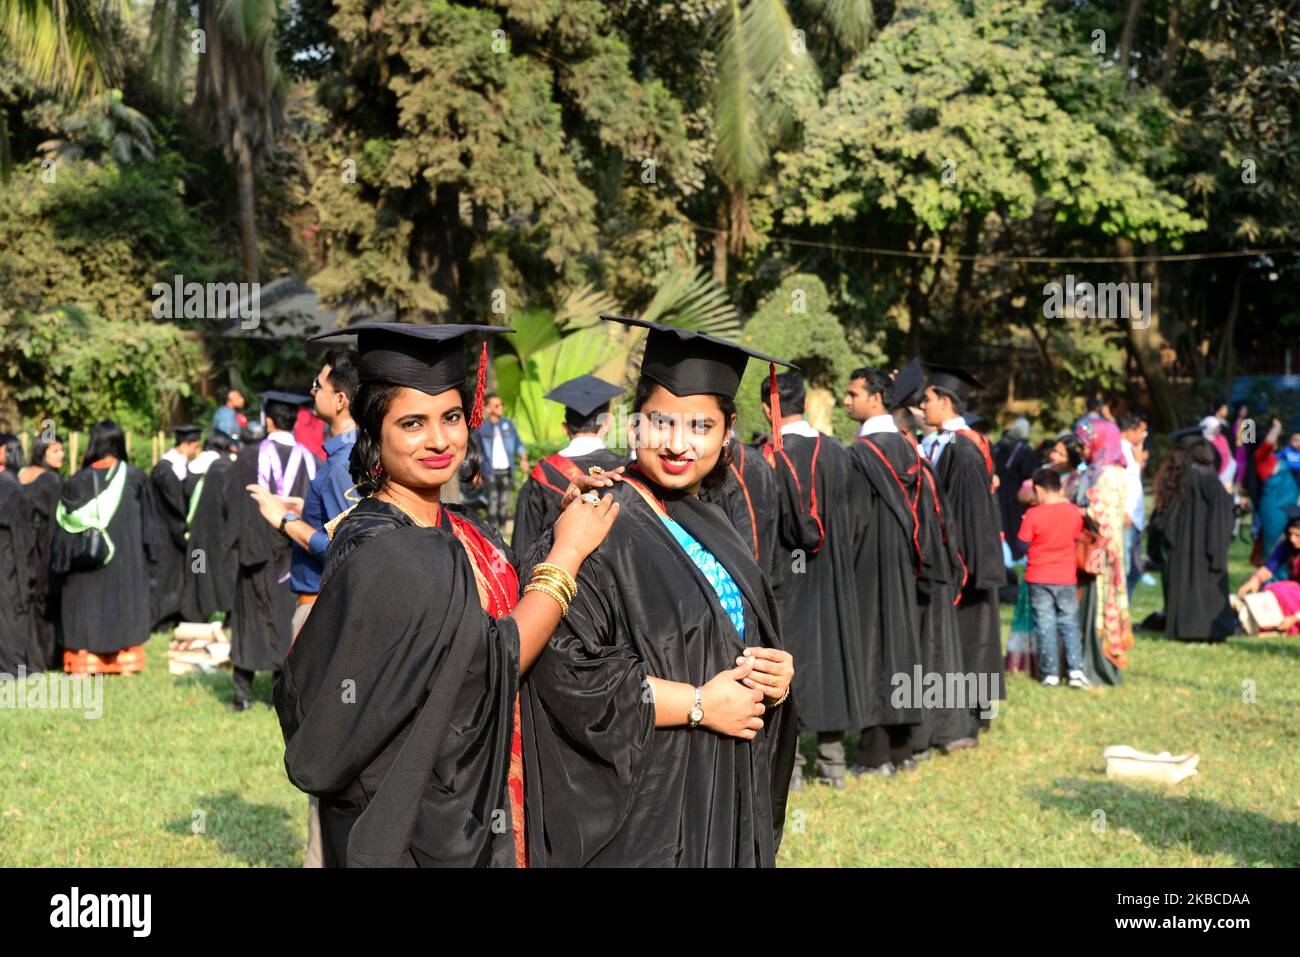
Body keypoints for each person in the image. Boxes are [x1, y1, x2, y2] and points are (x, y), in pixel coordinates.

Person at [275, 322, 619, 867]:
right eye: (412, 423)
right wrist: (567, 556)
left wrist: (560, 527)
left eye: (452, 417)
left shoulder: (462, 524)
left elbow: (501, 595)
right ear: (374, 430)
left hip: (493, 788)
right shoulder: (380, 545)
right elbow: (493, 656)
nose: (440, 440)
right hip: (423, 813)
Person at [521, 315, 797, 867]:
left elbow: (736, 632)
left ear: (727, 430)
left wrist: (778, 677)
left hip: (722, 787)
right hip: (647, 808)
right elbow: (567, 673)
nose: (677, 445)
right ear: (633, 424)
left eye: (700, 427)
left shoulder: (708, 519)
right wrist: (698, 705)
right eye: (660, 423)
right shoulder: (595, 517)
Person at [242, 350, 361, 868]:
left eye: (317, 385)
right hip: (334, 610)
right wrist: (299, 508)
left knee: (320, 746)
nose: (311, 394)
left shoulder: (341, 464)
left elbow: (343, 545)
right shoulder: (348, 456)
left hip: (320, 610)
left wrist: (280, 519)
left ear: (340, 398)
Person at [756, 370, 865, 787]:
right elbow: (855, 519)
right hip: (832, 576)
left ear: (771, 408)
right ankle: (834, 762)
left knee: (789, 662)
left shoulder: (765, 456)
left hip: (784, 579)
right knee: (830, 658)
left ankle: (793, 766)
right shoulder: (839, 452)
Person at [843, 367, 924, 777]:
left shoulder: (860, 454)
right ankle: (903, 749)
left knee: (873, 649)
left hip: (868, 564)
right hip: (903, 560)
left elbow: (853, 518)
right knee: (902, 648)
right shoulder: (910, 448)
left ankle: (874, 757)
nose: (846, 400)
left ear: (875, 398)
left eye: (853, 393)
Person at [920, 365, 1004, 737]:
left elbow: (969, 512)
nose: (923, 407)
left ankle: (971, 715)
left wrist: (961, 566)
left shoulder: (964, 450)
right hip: (963, 559)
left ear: (946, 401)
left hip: (967, 562)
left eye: (927, 399)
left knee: (972, 638)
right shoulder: (951, 444)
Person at [225, 391, 321, 711]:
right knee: (285, 619)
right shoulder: (314, 460)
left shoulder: (248, 457)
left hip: (255, 554)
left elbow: (233, 505)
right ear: (293, 422)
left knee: (249, 619)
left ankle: (242, 695)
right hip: (294, 555)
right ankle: (280, 695)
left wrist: (235, 546)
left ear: (267, 421)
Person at [53, 421, 160, 674]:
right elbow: (151, 527)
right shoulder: (135, 478)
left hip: (85, 563)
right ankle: (124, 662)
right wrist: (151, 559)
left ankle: (83, 661)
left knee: (86, 606)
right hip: (127, 563)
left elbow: (63, 531)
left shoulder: (76, 480)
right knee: (123, 606)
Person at [511, 375, 625, 557]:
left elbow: (523, 545)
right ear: (606, 422)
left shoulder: (544, 475)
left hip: (561, 577)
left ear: (565, 427)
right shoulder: (625, 470)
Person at [1070, 417, 1133, 682]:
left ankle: (1099, 666)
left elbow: (1102, 514)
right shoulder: (1095, 469)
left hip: (1102, 554)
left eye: (1086, 445)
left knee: (1099, 608)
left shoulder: (1110, 474)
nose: (1083, 451)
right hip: (1092, 549)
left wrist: (1072, 509)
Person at [1162, 431, 1236, 642]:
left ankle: (1183, 628)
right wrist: (1217, 547)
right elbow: (1220, 512)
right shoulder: (1207, 477)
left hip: (1184, 544)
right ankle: (1204, 631)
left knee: (1187, 582)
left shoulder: (1182, 477)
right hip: (1205, 544)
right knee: (1206, 586)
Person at [1018, 468, 1086, 687]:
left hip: (1038, 576)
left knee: (1045, 624)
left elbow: (1021, 544)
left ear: (1037, 489)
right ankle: (1075, 670)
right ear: (1060, 487)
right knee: (1069, 623)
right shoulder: (1074, 511)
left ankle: (1050, 673)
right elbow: (1076, 536)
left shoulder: (1033, 514)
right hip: (1066, 576)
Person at [701, 429, 782, 588]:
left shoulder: (732, 463)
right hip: (756, 566)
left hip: (741, 578)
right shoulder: (754, 457)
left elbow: (748, 529)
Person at [180, 431, 238, 622]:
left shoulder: (191, 467)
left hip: (197, 532)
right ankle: (228, 612)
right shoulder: (222, 467)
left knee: (199, 570)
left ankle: (196, 612)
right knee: (224, 570)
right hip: (219, 533)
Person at [148, 424, 203, 627]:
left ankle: (176, 614)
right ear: (188, 445)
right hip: (165, 533)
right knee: (165, 578)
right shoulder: (165, 470)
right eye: (196, 447)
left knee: (177, 576)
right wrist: (183, 530)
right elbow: (174, 506)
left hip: (173, 533)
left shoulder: (176, 467)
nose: (197, 452)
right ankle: (160, 621)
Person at [18, 436, 65, 669]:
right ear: (41, 453)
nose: (62, 455)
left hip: (21, 548)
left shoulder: (20, 476)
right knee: (48, 603)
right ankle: (49, 657)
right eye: (55, 451)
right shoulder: (51, 481)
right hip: (45, 546)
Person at [0, 445, 37, 674]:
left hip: (8, 555)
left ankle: (12, 667)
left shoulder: (10, 486)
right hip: (7, 555)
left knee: (9, 611)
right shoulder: (11, 486)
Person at [1237, 506, 1300, 633]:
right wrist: (1255, 580)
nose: (1293, 539)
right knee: (1274, 588)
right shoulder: (1286, 546)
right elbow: (1269, 567)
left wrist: (1295, 618)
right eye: (1290, 534)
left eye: (1298, 535)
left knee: (1284, 590)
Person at [476, 392, 528, 532]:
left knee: (505, 500)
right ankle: (493, 528)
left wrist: (523, 459)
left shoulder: (508, 424)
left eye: (501, 404)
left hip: (506, 469)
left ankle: (503, 527)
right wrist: (477, 472)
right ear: (488, 408)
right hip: (490, 470)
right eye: (497, 405)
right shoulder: (482, 428)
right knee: (493, 500)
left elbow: (518, 443)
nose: (500, 407)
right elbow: (477, 452)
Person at [1254, 420, 1299, 560]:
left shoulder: (1283, 460)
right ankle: (1272, 576)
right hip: (1273, 508)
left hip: (1291, 506)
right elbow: (1267, 444)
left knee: (1291, 540)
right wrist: (1277, 428)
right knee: (1273, 543)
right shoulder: (1262, 458)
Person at [994, 417, 1038, 560]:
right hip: (1015, 495)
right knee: (1014, 526)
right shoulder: (1024, 450)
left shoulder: (1000, 445)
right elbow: (1028, 474)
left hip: (998, 491)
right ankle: (1016, 556)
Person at [1118, 412, 1148, 600]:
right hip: (1126, 517)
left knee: (1133, 570)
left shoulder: (1129, 450)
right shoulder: (1119, 451)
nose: (1144, 435)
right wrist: (1123, 512)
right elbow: (1120, 483)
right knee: (1126, 569)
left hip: (1134, 518)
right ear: (1131, 430)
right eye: (1142, 431)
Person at [1201, 413, 1235, 490]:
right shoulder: (1205, 441)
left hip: (1227, 474)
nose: (1219, 429)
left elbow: (1228, 452)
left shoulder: (1222, 438)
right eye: (1216, 427)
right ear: (1210, 428)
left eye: (1219, 427)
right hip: (1213, 477)